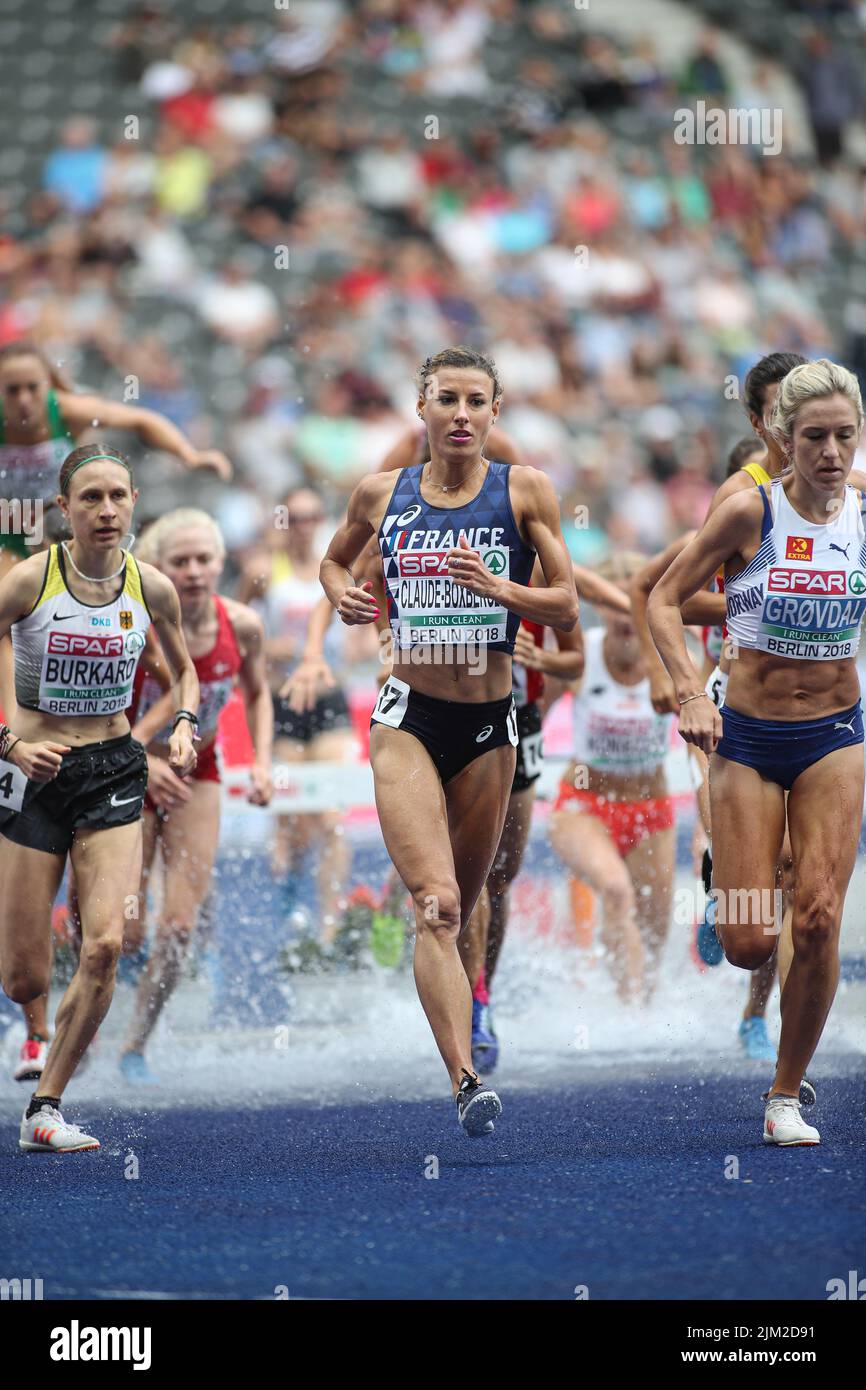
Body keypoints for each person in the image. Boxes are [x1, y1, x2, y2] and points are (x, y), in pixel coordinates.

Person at [318, 345, 578, 1136]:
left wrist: (503, 589)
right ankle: (465, 1079)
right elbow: (331, 563)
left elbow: (567, 605)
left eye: (475, 401)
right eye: (446, 400)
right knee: (435, 905)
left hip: (491, 727)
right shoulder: (381, 492)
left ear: (495, 412)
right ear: (421, 409)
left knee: (466, 907)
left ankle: (473, 1005)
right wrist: (346, 596)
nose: (460, 414)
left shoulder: (526, 489)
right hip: (408, 717)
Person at [648, 359, 866, 1146]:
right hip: (746, 738)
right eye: (815, 437)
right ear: (783, 437)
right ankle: (728, 885)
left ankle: (784, 1094)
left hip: (834, 736)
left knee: (820, 913)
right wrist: (688, 691)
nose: (831, 453)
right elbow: (661, 598)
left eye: (845, 436)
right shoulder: (749, 512)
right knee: (748, 944)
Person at [0, 445, 198, 1151]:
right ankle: (34, 1025)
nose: (107, 510)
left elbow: (185, 671)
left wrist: (184, 721)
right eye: (90, 498)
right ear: (64, 508)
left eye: (118, 495)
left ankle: (45, 1108)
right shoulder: (30, 581)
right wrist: (9, 745)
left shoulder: (152, 587)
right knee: (23, 974)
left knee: (106, 943)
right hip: (32, 774)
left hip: (113, 770)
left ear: (134, 501)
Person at [117, 509, 273, 1084]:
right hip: (128, 770)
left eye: (204, 559)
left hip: (198, 771)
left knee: (180, 926)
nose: (193, 571)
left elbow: (258, 693)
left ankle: (136, 1043)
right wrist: (141, 761)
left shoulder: (243, 624)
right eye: (179, 562)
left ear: (220, 562)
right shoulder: (134, 627)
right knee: (125, 928)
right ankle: (80, 1011)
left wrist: (262, 761)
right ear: (159, 569)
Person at [0, 340, 231, 710]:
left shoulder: (69, 410)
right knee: (12, 625)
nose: (25, 400)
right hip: (10, 536)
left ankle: (177, 703)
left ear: (48, 385)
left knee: (116, 610)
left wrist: (189, 455)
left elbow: (142, 420)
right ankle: (14, 724)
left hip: (67, 530)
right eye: (12, 391)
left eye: (33, 388)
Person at [549, 554, 678, 1003]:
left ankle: (640, 1008)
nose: (625, 611)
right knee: (617, 891)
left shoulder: (671, 656)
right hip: (584, 807)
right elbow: (529, 719)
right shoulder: (581, 656)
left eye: (633, 594)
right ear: (601, 604)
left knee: (655, 935)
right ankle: (624, 1014)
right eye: (614, 595)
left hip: (652, 811)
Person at [238, 487, 357, 946]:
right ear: (282, 521)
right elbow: (232, 628)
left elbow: (364, 627)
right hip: (285, 703)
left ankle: (330, 924)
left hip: (329, 702)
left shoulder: (338, 569)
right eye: (297, 517)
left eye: (313, 517)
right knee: (292, 822)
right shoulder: (265, 572)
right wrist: (269, 649)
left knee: (331, 816)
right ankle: (291, 913)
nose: (305, 526)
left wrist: (363, 646)